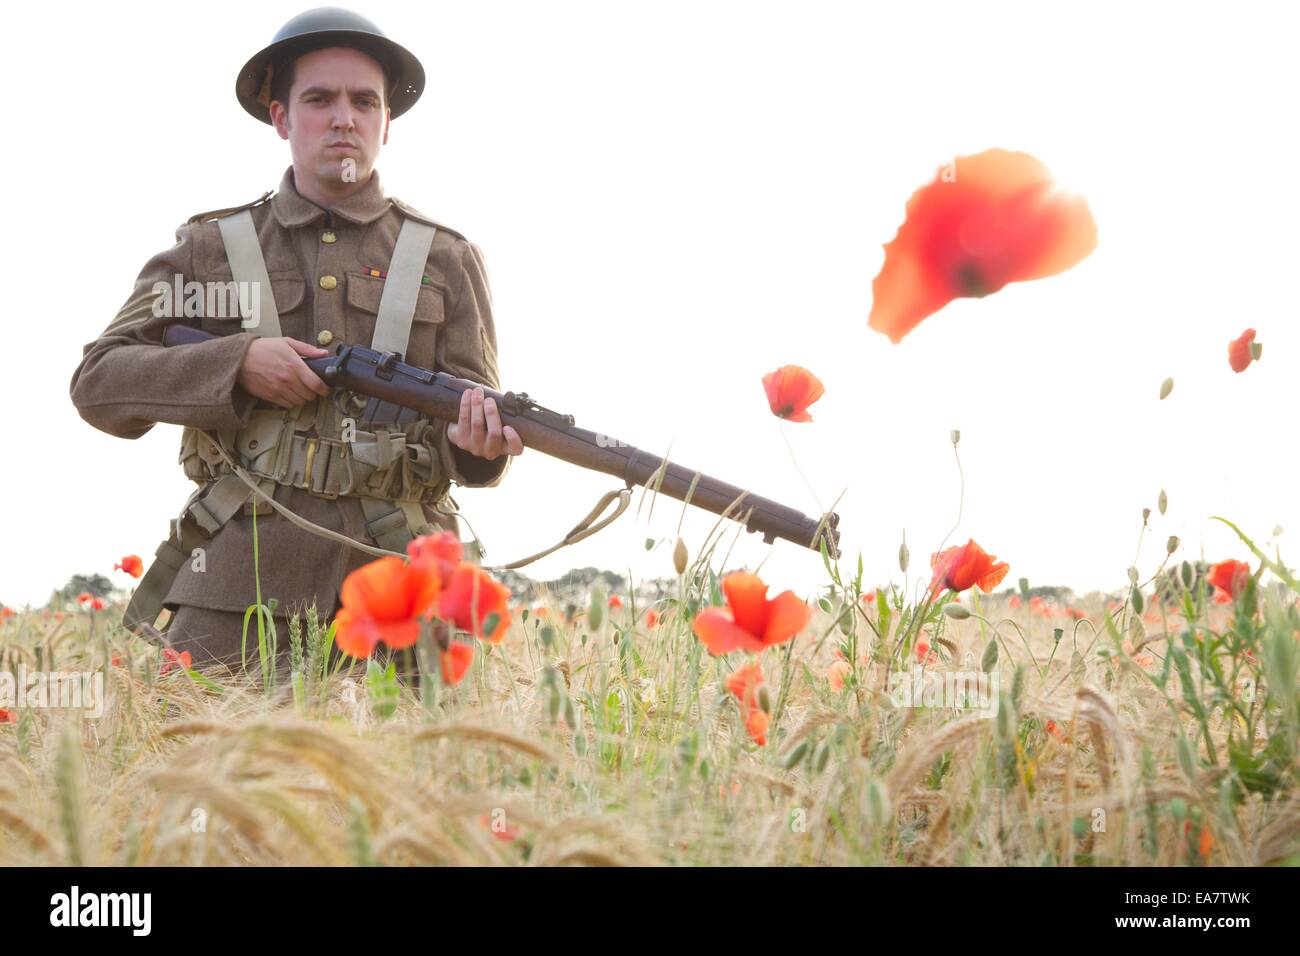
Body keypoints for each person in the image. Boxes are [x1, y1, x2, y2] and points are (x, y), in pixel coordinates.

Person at [69, 8, 522, 673]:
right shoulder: (208, 250)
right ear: (281, 117)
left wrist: (480, 449)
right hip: (236, 590)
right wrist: (236, 366)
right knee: (198, 775)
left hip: (401, 589)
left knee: (415, 775)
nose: (345, 117)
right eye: (320, 99)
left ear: (386, 123)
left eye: (364, 101)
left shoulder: (448, 259)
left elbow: (473, 438)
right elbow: (99, 384)